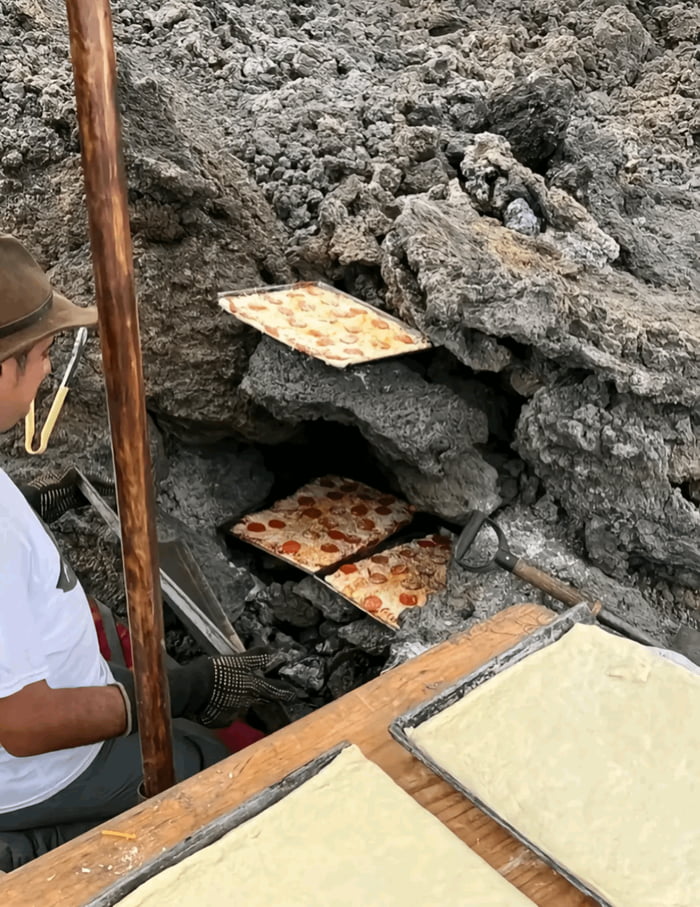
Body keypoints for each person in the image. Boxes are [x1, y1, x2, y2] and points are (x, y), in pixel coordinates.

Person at [0, 235, 293, 870]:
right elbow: (22, 725)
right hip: (40, 774)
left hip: (53, 708)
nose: (50, 370)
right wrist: (176, 691)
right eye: (44, 353)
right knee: (237, 786)